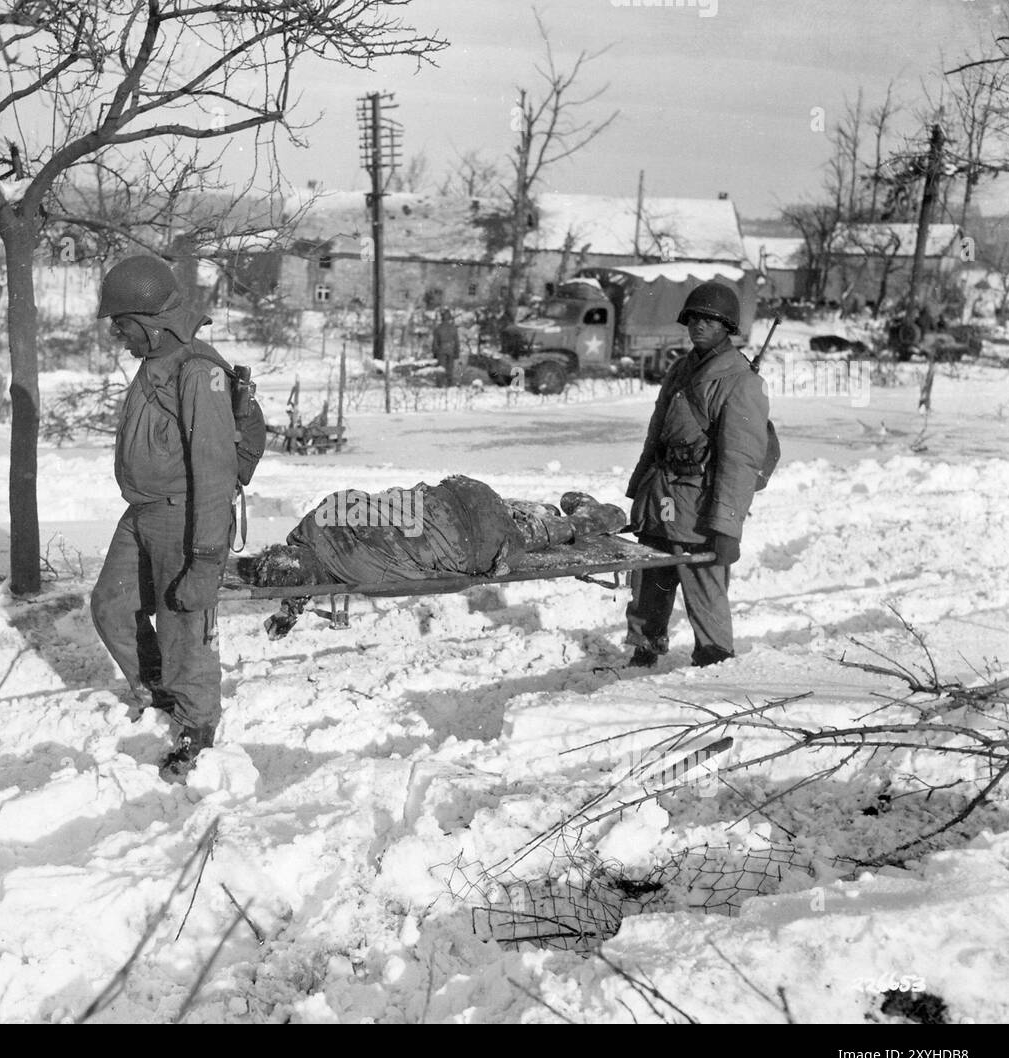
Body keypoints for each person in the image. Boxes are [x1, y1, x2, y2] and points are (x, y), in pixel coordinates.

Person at [89, 255, 238, 776]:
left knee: (183, 623)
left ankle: (197, 728)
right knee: (111, 604)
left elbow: (216, 471)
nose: (118, 336)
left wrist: (205, 559)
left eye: (122, 324)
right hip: (142, 512)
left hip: (183, 515)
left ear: (148, 321)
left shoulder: (197, 371)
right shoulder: (155, 362)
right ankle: (158, 695)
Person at [247, 476, 626, 637]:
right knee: (484, 513)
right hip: (456, 493)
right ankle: (538, 508)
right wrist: (290, 607)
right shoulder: (315, 519)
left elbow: (440, 577)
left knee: (530, 537)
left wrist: (290, 610)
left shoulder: (364, 572)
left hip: (477, 538)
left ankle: (598, 518)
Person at [624, 281, 770, 668]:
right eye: (694, 318)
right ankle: (645, 649)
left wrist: (727, 527)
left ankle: (714, 659)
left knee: (704, 584)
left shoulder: (739, 380)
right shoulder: (681, 368)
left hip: (700, 504)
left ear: (727, 327)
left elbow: (740, 461)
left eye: (710, 319)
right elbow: (657, 433)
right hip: (663, 494)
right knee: (649, 578)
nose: (699, 325)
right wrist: (640, 486)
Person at [431, 309, 461, 387]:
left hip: (441, 350)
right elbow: (457, 342)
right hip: (451, 349)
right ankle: (449, 383)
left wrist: (435, 352)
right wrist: (457, 352)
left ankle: (440, 384)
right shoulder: (453, 328)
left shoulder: (438, 328)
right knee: (450, 368)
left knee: (441, 367)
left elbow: (435, 342)